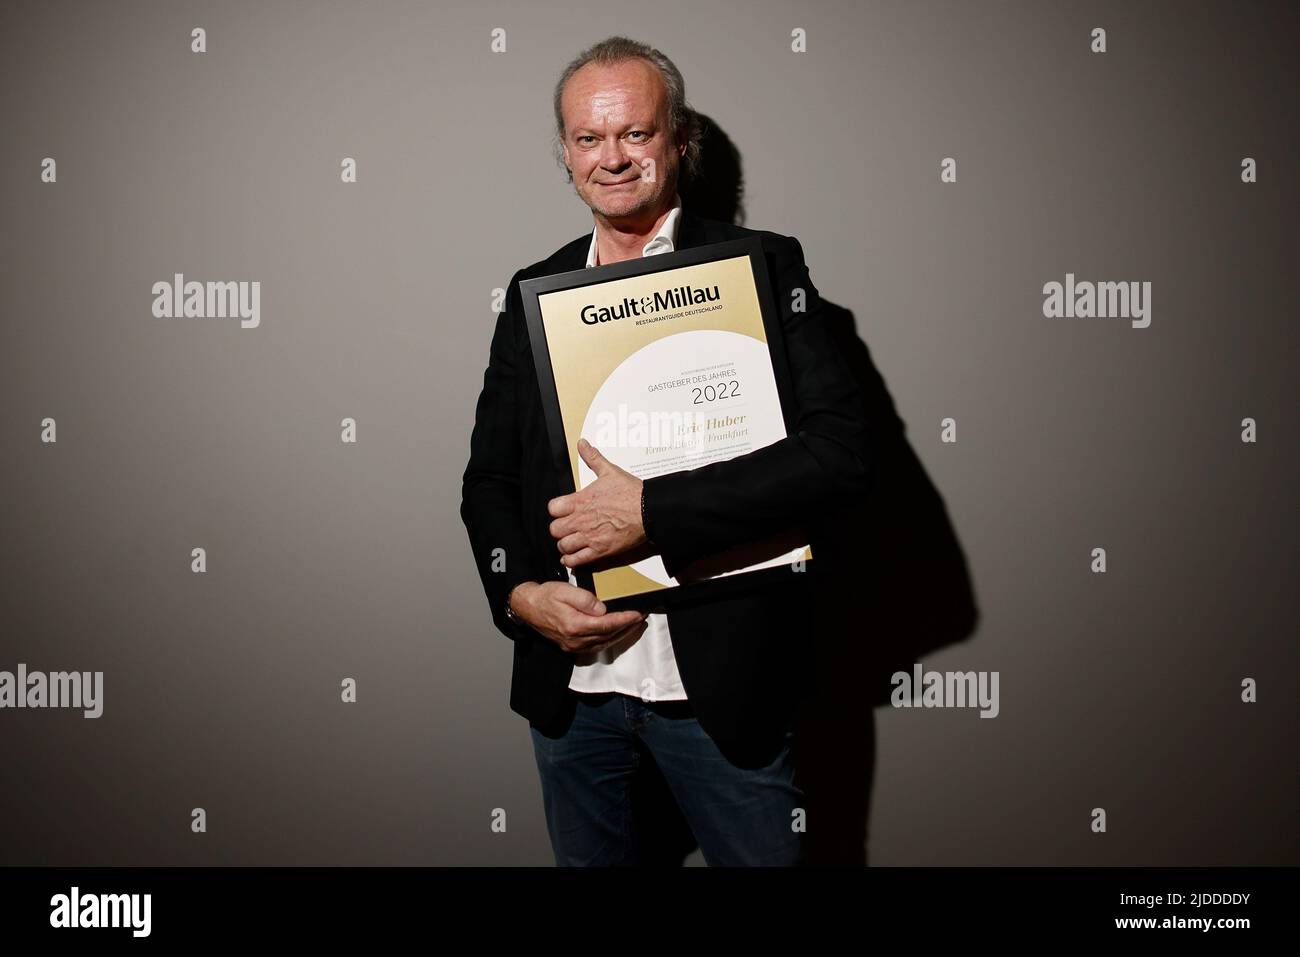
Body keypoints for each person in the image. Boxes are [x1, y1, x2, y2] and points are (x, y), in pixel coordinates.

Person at [460, 36, 872, 866]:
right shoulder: (531, 291)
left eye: (636, 134)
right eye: (588, 139)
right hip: (576, 693)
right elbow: (489, 480)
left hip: (720, 689)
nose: (611, 158)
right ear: (566, 154)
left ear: (678, 140)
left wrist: (649, 513)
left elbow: (840, 456)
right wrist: (520, 595)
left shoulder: (761, 267)